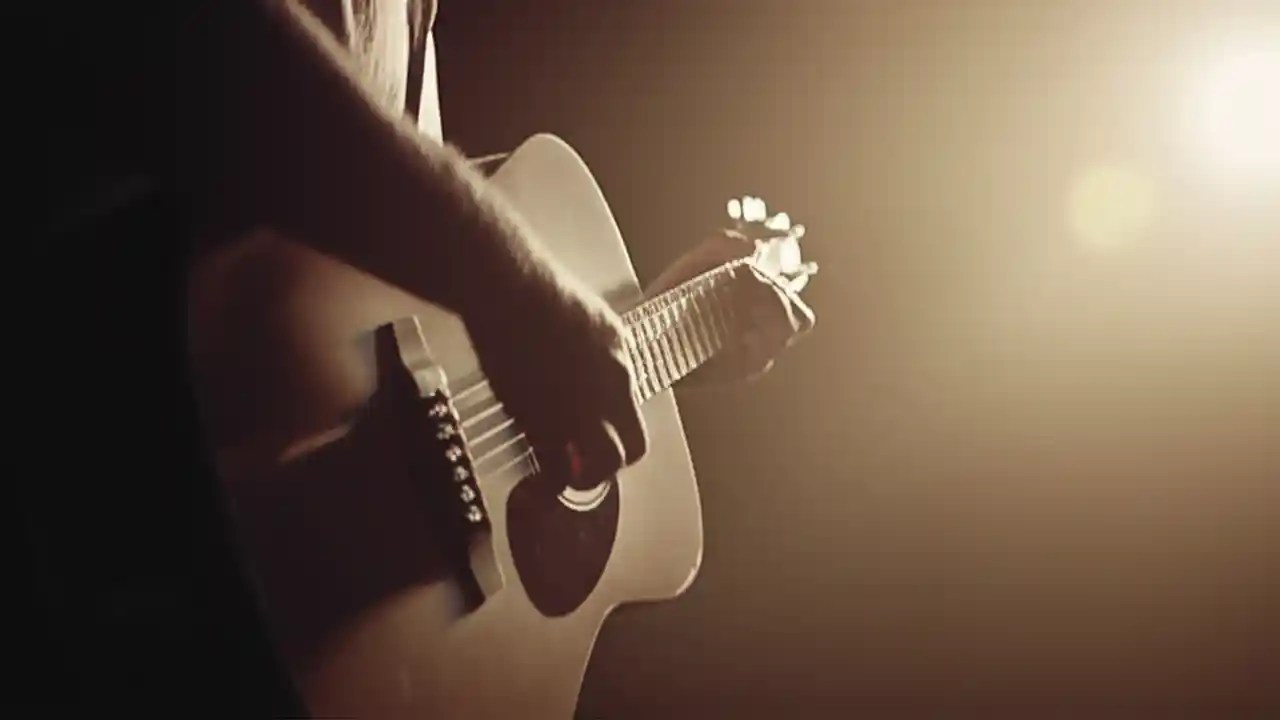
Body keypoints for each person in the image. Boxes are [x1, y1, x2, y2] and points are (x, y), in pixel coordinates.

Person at [25, 0, 813, 712]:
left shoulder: (412, 33)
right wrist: (514, 286)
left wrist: (643, 336)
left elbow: (393, 314)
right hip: (93, 442)